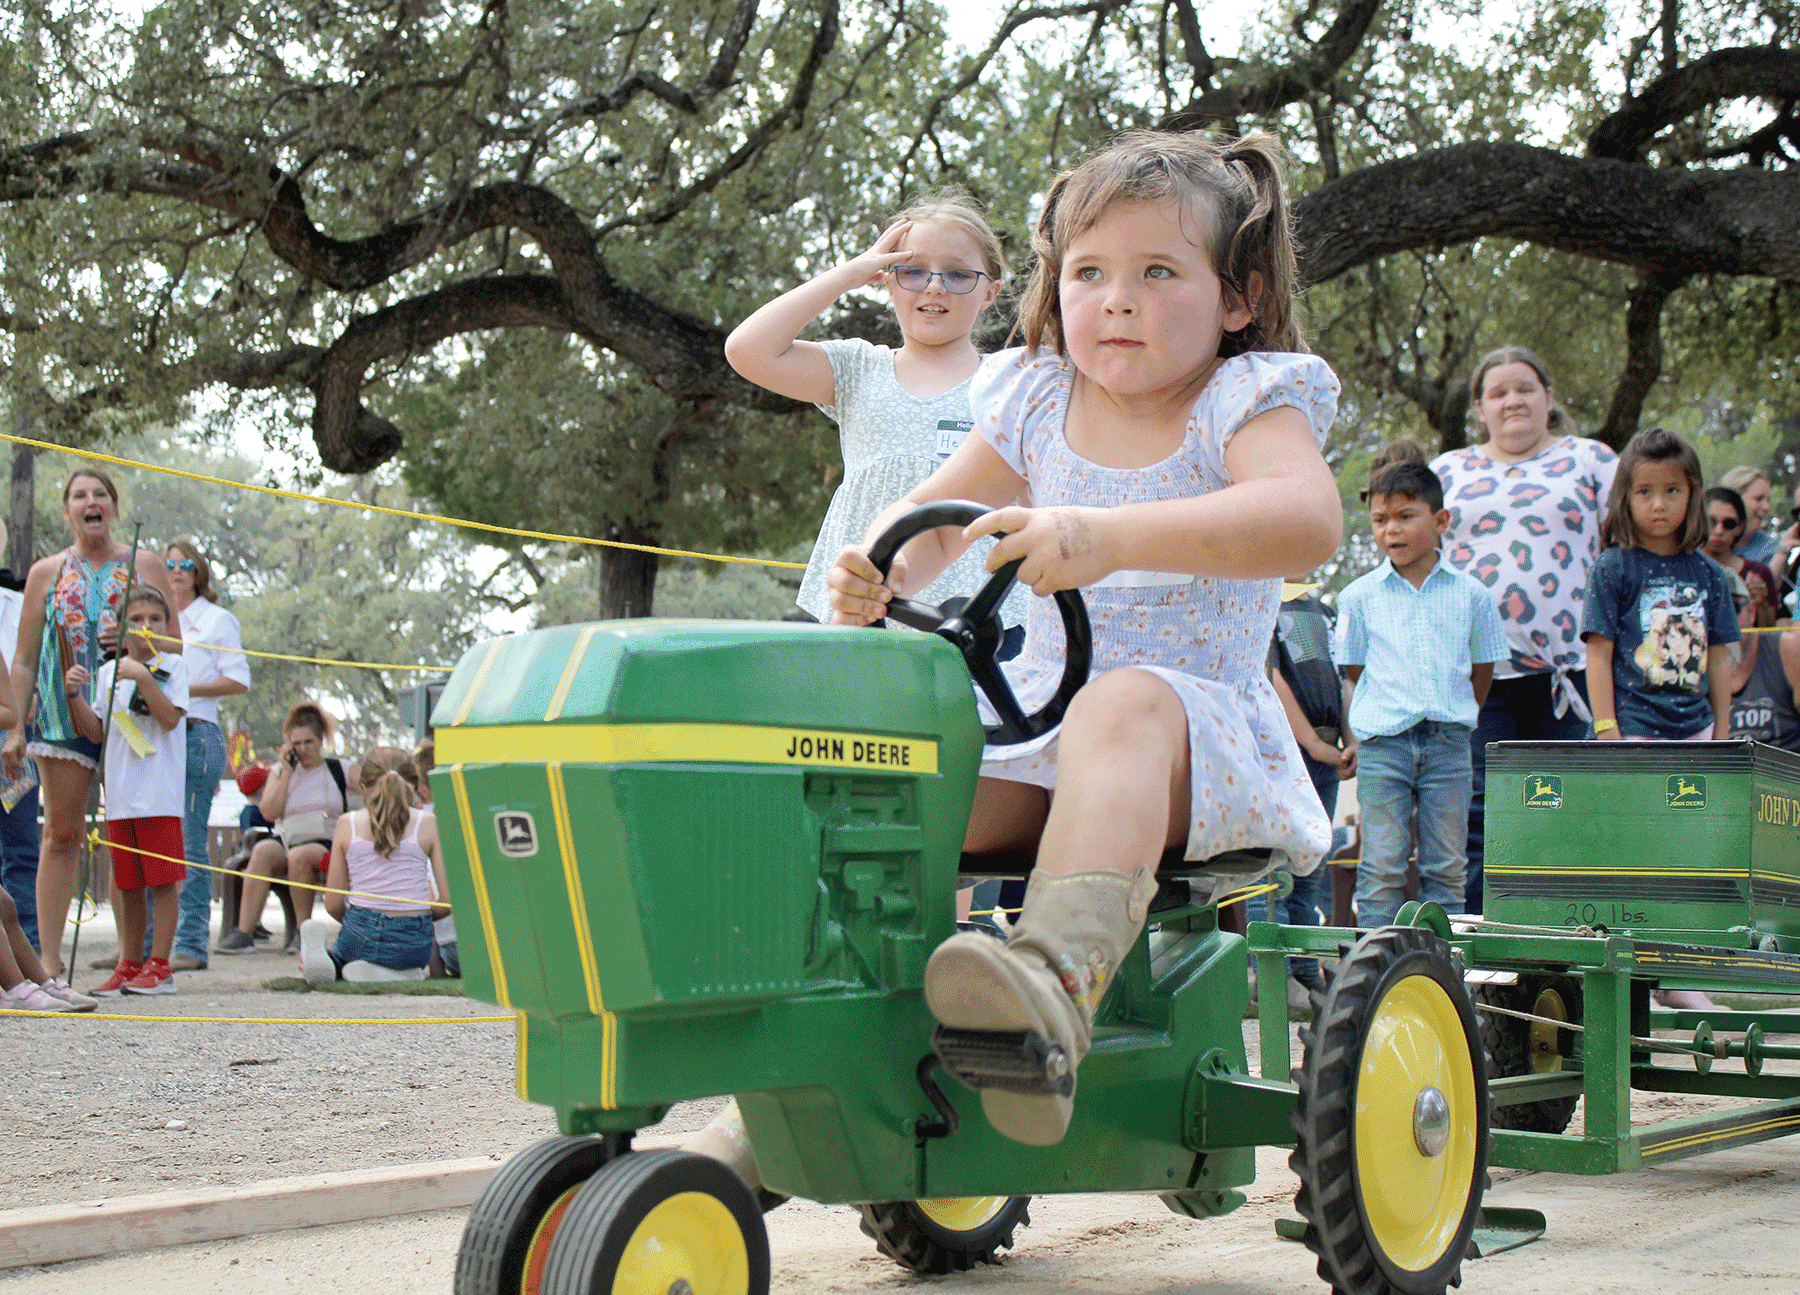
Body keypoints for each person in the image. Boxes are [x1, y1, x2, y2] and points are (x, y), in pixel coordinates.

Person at [827, 130, 1340, 1146]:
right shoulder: (1036, 398)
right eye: (1090, 271)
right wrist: (876, 572)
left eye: (1158, 272)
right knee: (920, 769)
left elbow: (1308, 521)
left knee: (1125, 698)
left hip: (1194, 740)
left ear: (1234, 298)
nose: (1117, 298)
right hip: (1043, 728)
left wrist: (1107, 536)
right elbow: (935, 526)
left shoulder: (1239, 402)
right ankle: (854, 1023)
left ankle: (1051, 984)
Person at [724, 192, 1028, 648]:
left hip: (982, 619)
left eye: (959, 274)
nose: (934, 286)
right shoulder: (857, 368)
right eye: (913, 270)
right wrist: (850, 273)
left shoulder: (1013, 383)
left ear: (991, 292)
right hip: (862, 609)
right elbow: (747, 350)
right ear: (887, 281)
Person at [1432, 347, 1616, 913]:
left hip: (1573, 678)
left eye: (1526, 388)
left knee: (1568, 813)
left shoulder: (1593, 461)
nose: (1513, 400)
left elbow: (1625, 552)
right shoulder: (1447, 472)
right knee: (1482, 814)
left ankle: (1565, 952)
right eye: (1498, 392)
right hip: (1477, 678)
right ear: (1480, 408)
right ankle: (1478, 959)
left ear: (1549, 397)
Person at [1, 467, 177, 980]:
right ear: (67, 510)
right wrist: (17, 723)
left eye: (100, 494)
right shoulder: (45, 572)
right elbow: (24, 658)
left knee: (127, 836)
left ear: (114, 506)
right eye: (79, 495)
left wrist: (136, 647)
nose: (90, 502)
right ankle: (49, 959)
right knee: (60, 833)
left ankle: (132, 960)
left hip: (132, 718)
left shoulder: (143, 562)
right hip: (62, 714)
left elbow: (177, 641)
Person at [1336, 462, 1505, 928]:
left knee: (1446, 867)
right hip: (1383, 746)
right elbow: (1355, 670)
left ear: (1441, 521)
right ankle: (1375, 968)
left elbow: (1483, 669)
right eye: (1379, 520)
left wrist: (1453, 712)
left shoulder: (1472, 595)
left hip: (1448, 745)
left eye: (1406, 516)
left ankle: (1445, 974)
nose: (1391, 530)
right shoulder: (1358, 597)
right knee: (1382, 865)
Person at [68, 587, 191, 996]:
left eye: (155, 619)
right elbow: (97, 730)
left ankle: (161, 966)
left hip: (159, 795)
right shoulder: (108, 673)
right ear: (120, 630)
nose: (146, 627)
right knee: (129, 883)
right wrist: (74, 697)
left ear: (167, 625)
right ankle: (130, 961)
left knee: (163, 881)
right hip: (120, 797)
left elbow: (170, 719)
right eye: (136, 620)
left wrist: (142, 676)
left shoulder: (173, 666)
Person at [1583, 428, 1738, 743]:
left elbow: (1719, 659)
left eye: (1672, 490)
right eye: (1644, 492)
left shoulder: (1712, 574)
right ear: (1624, 496)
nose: (1658, 504)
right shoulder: (1610, 568)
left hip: (1700, 731)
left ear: (1692, 494)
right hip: (1631, 732)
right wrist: (1606, 729)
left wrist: (1721, 734)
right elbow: (1597, 655)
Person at [142, 540, 249, 972]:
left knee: (188, 842)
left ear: (199, 570)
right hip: (151, 738)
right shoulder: (153, 618)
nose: (176, 570)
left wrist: (184, 692)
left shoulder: (217, 620)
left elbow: (238, 680)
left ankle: (190, 944)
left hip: (196, 732)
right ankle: (144, 943)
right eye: (167, 564)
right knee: (145, 839)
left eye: (185, 563)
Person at [1253, 580, 1352, 1007]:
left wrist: (1349, 740)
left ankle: (1306, 969)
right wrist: (1312, 743)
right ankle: (1269, 975)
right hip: (1285, 749)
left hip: (1327, 750)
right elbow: (1270, 675)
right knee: (1275, 870)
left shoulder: (1323, 610)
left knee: (1314, 860)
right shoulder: (1261, 601)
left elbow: (1343, 676)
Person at [299, 747, 449, 984]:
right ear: (415, 783)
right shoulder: (428, 823)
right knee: (409, 955)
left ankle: (330, 959)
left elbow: (333, 903)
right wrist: (414, 917)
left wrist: (361, 923)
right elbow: (446, 901)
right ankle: (403, 971)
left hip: (362, 935)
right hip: (414, 942)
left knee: (342, 952)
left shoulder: (348, 824)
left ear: (363, 785)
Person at [216, 702, 356, 954]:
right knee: (262, 852)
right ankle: (244, 932)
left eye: (308, 742)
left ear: (321, 740)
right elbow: (269, 813)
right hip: (288, 837)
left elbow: (373, 785)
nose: (303, 749)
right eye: (296, 743)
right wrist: (287, 773)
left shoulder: (339, 769)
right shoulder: (281, 772)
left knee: (299, 857)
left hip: (324, 840)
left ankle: (304, 933)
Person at [0, 520, 41, 952]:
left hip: (13, 739)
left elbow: (26, 668)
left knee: (22, 847)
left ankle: (25, 946)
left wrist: (16, 731)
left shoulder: (17, 603)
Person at [1699, 487, 1771, 627]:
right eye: (1711, 522)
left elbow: (1769, 632)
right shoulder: (1683, 567)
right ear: (1699, 521)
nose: (1719, 531)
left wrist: (1760, 603)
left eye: (1729, 524)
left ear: (1740, 527)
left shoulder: (1758, 572)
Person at [1729, 621, 1800, 752]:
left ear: (1751, 610)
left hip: (1786, 766)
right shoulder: (1699, 658)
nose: (1728, 618)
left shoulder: (1787, 647)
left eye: (1736, 607)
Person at [1719, 465, 1778, 565]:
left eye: (1769, 500)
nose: (1767, 507)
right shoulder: (1699, 543)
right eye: (1758, 498)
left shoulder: (1770, 551)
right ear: (1733, 500)